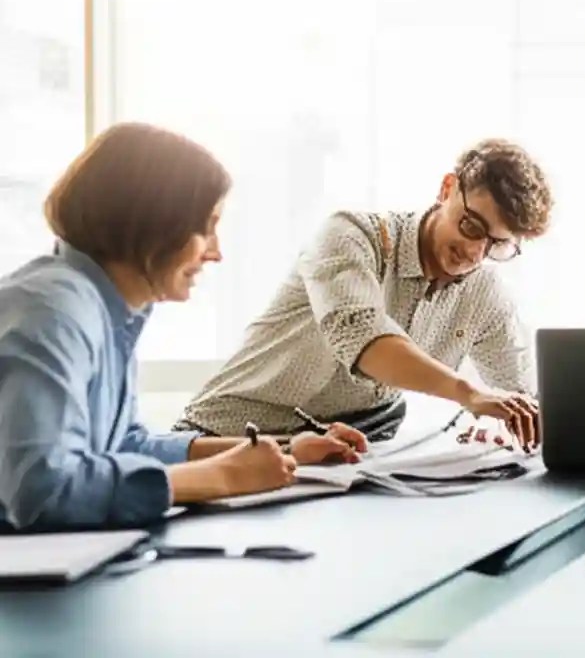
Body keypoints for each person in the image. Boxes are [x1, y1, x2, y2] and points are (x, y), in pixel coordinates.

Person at [0, 123, 367, 532]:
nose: (216, 252)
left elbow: (124, 446)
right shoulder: (55, 312)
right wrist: (223, 477)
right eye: (207, 227)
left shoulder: (102, 308)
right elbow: (43, 490)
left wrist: (282, 451)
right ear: (156, 221)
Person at [175, 138, 551, 451]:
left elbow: (522, 401)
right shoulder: (349, 236)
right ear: (447, 188)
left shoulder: (485, 293)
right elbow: (365, 340)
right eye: (471, 226)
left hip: (341, 457)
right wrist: (469, 394)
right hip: (227, 439)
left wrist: (503, 422)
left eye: (496, 246)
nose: (474, 254)